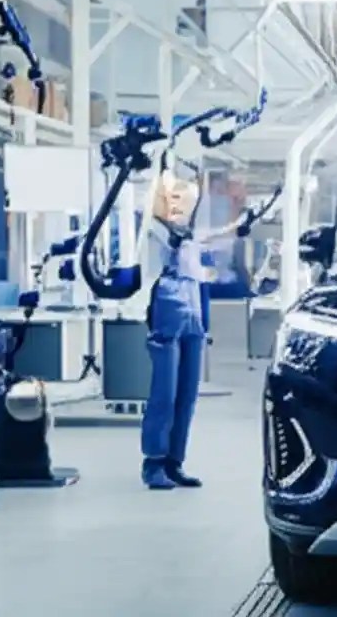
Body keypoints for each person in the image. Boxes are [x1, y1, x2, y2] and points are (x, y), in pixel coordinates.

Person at [140, 169, 248, 490]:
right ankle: (154, 463)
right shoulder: (154, 230)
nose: (182, 204)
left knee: (187, 394)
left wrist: (236, 229)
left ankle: (175, 462)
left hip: (193, 312)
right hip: (167, 309)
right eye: (175, 197)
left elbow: (203, 266)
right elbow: (160, 260)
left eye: (186, 199)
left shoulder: (191, 233)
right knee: (164, 392)